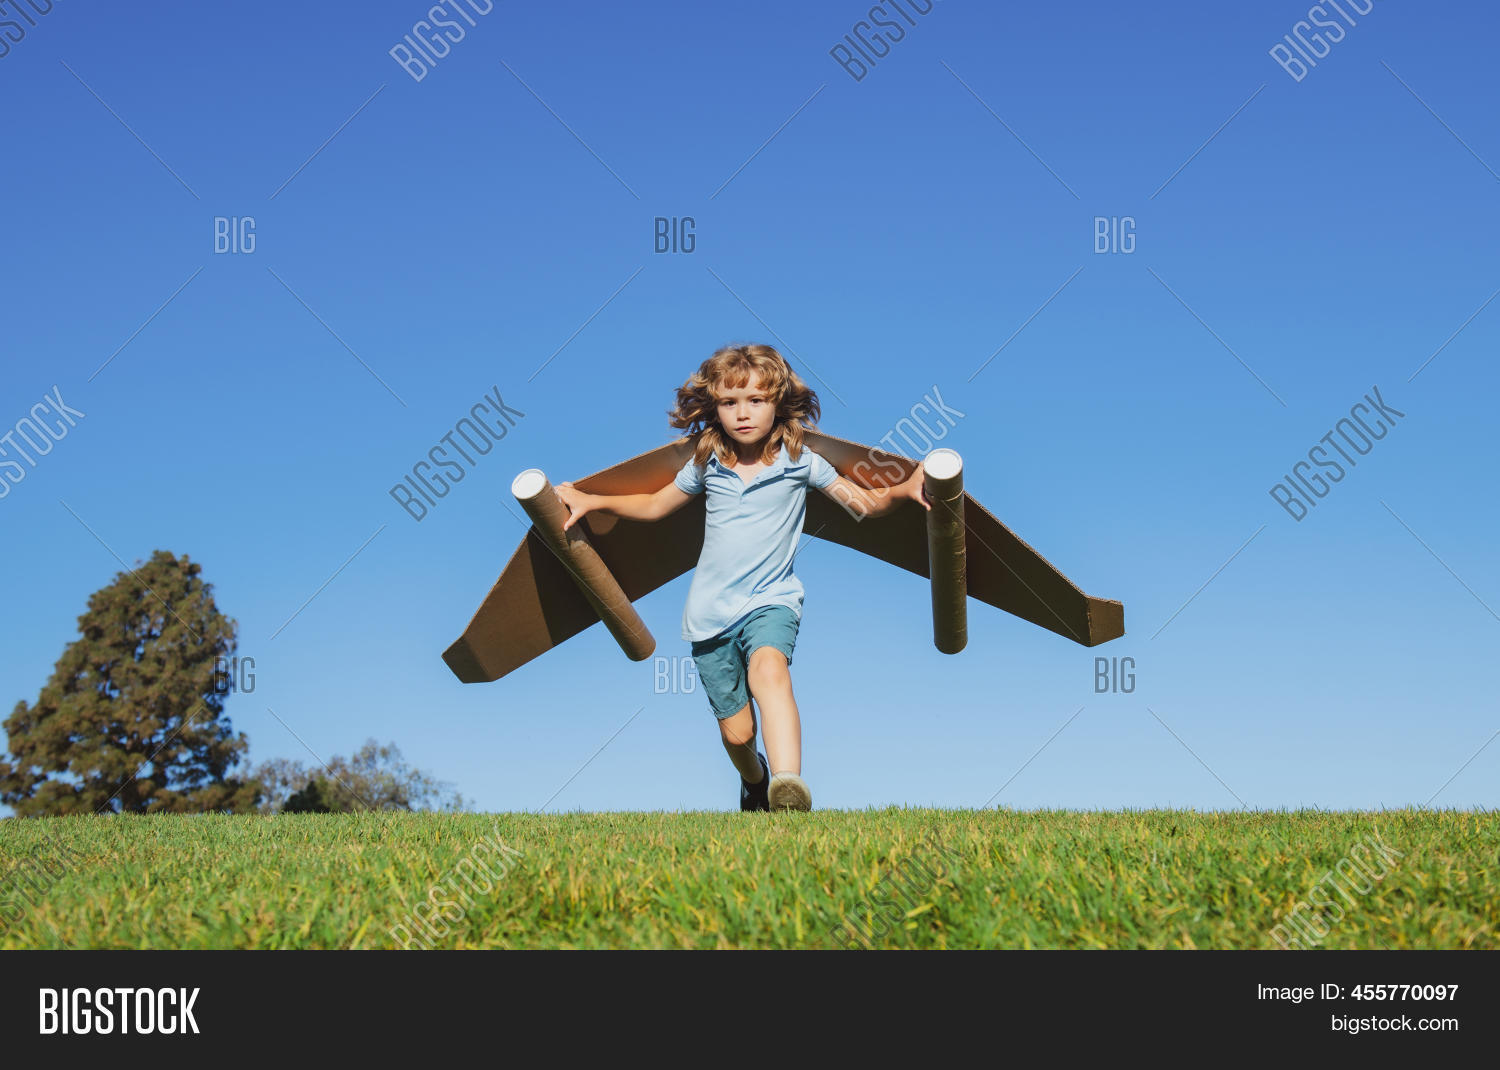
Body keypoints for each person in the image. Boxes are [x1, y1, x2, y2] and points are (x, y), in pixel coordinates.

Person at [553, 344, 928, 812]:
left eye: (756, 400)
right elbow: (654, 505)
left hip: (773, 599)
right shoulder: (707, 463)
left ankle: (788, 785)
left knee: (770, 672)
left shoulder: (801, 462)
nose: (743, 414)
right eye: (730, 403)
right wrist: (594, 500)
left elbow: (863, 504)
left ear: (779, 403)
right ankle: (756, 779)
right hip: (709, 616)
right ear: (715, 409)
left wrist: (903, 488)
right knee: (738, 734)